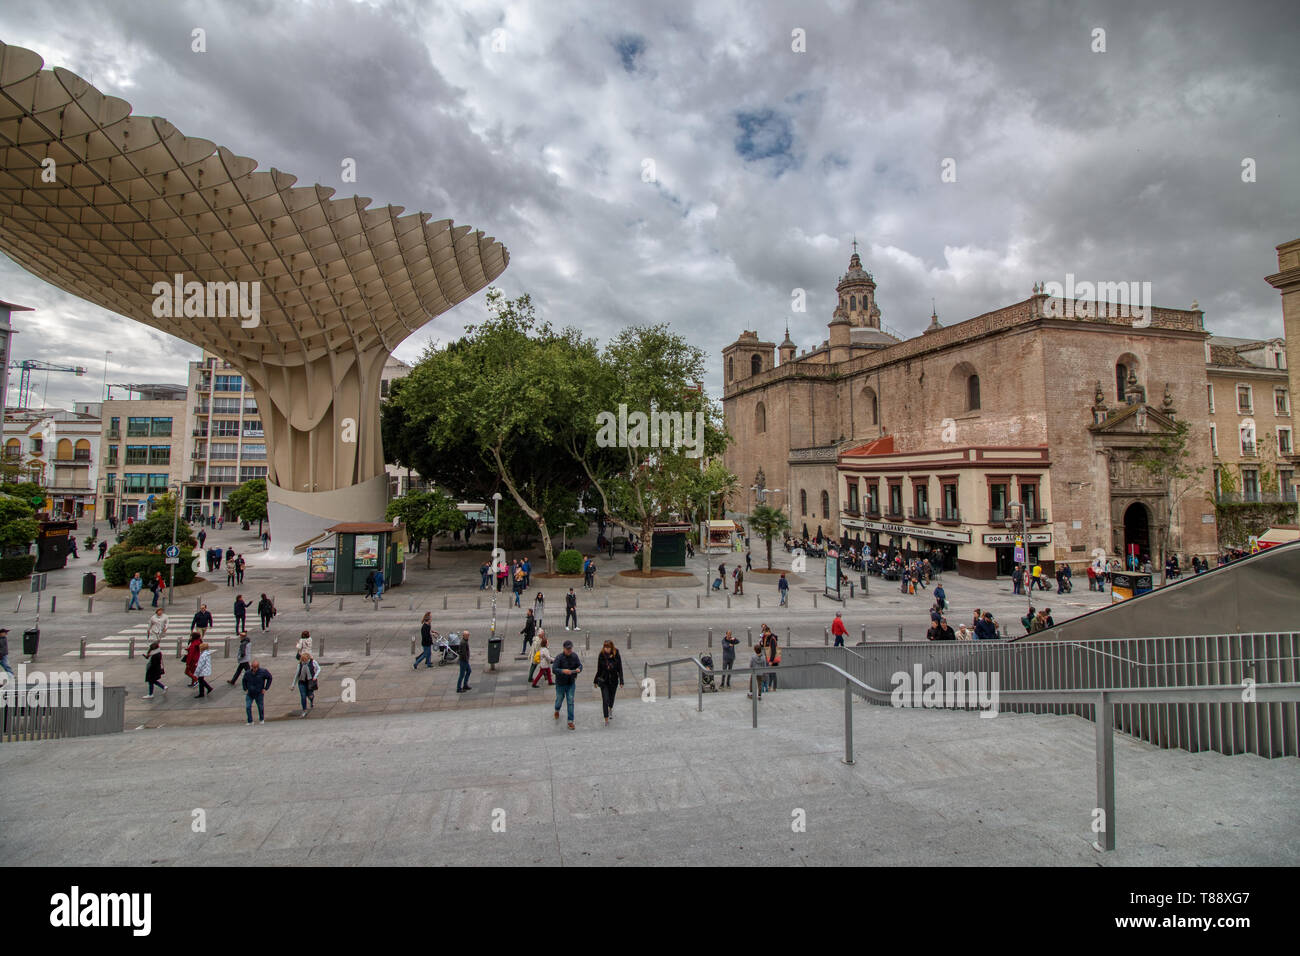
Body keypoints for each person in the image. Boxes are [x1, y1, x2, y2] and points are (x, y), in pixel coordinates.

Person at [552, 639, 582, 729]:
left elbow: (580, 665)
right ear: (564, 648)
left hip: (571, 683)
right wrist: (563, 671)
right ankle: (557, 709)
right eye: (567, 649)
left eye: (570, 648)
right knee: (559, 699)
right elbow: (554, 669)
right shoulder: (559, 658)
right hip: (561, 683)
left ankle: (570, 721)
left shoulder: (574, 656)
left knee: (570, 701)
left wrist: (579, 669)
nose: (569, 650)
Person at [594, 640, 625, 725]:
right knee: (605, 699)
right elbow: (599, 669)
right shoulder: (601, 655)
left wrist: (621, 680)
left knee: (611, 698)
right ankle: (606, 718)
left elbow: (620, 668)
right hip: (604, 681)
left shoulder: (616, 653)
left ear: (611, 647)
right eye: (605, 647)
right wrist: (595, 680)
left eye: (608, 647)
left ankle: (610, 708)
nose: (606, 649)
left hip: (614, 680)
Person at [242, 659, 272, 724]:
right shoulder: (248, 673)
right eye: (253, 667)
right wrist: (245, 689)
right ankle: (250, 721)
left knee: (260, 706)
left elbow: (270, 678)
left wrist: (265, 688)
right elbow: (244, 680)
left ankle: (261, 719)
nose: (255, 669)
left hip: (259, 693)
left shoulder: (263, 672)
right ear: (251, 666)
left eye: (256, 667)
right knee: (248, 706)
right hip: (250, 693)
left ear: (258, 667)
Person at [295, 650, 320, 717]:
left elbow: (319, 668)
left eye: (305, 660)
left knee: (310, 695)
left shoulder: (313, 662)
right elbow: (296, 674)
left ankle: (311, 701)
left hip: (310, 681)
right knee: (303, 696)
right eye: (303, 660)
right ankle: (304, 710)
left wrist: (315, 676)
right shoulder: (300, 664)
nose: (304, 662)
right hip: (302, 681)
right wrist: (293, 684)